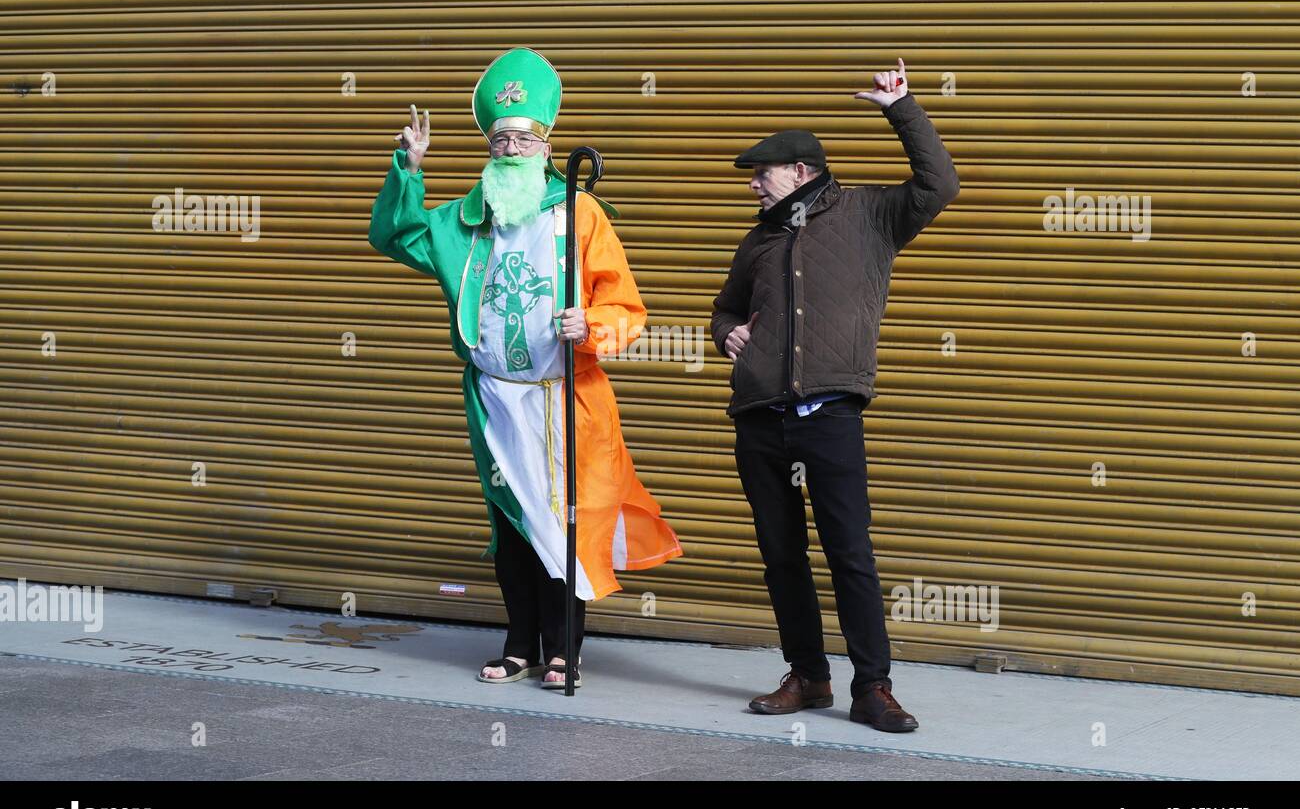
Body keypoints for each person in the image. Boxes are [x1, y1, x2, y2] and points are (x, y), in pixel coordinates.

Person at [369, 47, 682, 689]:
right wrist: (408, 169)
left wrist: (589, 325)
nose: (511, 148)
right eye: (499, 138)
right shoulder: (464, 221)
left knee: (566, 523)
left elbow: (627, 307)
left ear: (546, 143)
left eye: (523, 137)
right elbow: (394, 237)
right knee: (512, 526)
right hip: (496, 403)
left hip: (566, 399)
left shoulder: (580, 214)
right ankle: (518, 643)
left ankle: (564, 648)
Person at [710, 58, 959, 731]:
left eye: (763, 173)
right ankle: (809, 676)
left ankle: (872, 687)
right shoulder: (758, 240)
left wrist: (901, 108)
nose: (755, 186)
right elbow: (724, 311)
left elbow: (941, 183)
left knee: (850, 552)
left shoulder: (870, 214)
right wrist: (727, 334)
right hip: (761, 419)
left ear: (803, 171)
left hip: (830, 417)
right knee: (781, 555)